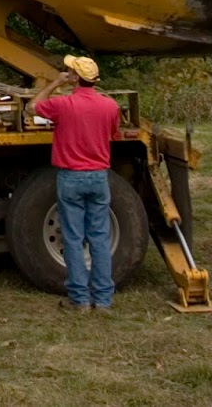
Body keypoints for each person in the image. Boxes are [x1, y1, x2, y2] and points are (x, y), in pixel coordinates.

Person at [32, 53, 121, 311]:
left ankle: (80, 299)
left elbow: (32, 107)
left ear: (75, 78)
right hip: (99, 176)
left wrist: (54, 84)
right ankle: (103, 300)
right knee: (100, 238)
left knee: (73, 238)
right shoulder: (110, 106)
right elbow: (114, 134)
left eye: (70, 71)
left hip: (71, 177)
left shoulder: (63, 104)